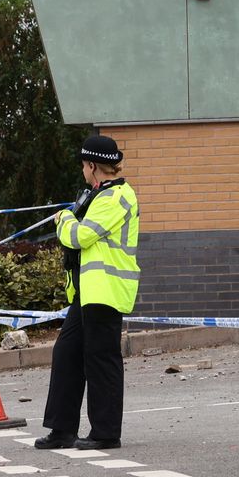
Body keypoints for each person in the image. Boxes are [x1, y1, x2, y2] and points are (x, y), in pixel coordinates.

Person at [36, 135, 140, 451]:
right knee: (66, 352)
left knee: (101, 360)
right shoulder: (98, 195)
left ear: (92, 165)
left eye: (83, 164)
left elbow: (80, 236)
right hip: (89, 291)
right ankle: (62, 429)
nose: (82, 170)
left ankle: (106, 432)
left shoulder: (118, 197)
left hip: (107, 288)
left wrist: (65, 217)